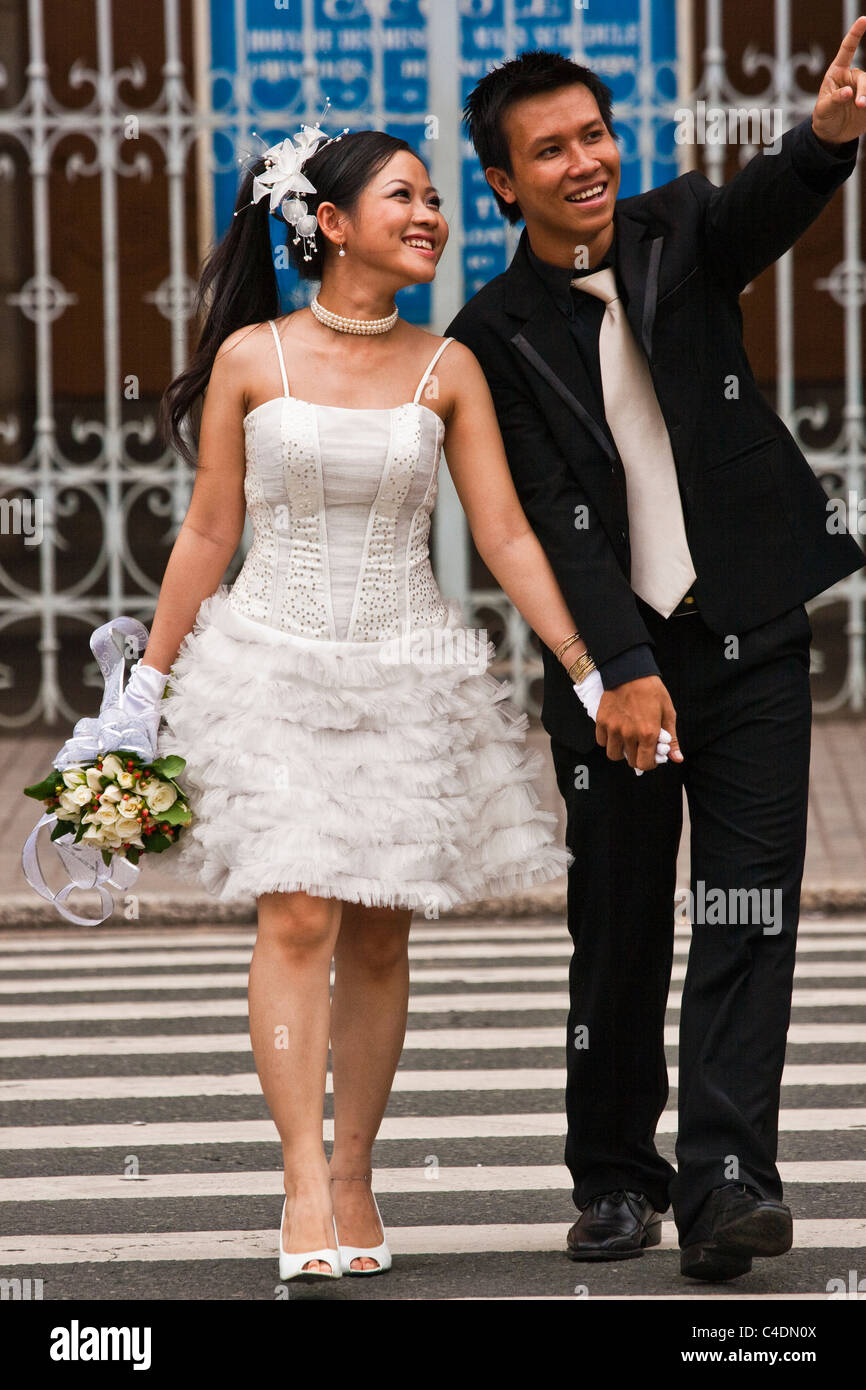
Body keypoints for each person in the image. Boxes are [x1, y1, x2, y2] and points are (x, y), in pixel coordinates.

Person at [108, 126, 667, 1283]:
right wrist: (143, 688)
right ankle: (302, 1180)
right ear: (328, 223)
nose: (431, 215)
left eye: (435, 197)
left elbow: (504, 532)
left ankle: (355, 1171)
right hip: (270, 659)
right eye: (402, 196)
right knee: (298, 913)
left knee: (375, 926)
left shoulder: (446, 365)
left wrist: (584, 663)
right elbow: (210, 528)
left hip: (407, 665)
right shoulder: (252, 358)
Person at [446, 24, 866, 1281]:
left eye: (594, 135)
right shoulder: (490, 334)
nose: (584, 161)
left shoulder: (678, 231)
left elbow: (764, 205)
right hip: (606, 669)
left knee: (747, 910)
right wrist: (615, 672)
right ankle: (613, 1177)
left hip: (748, 636)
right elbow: (546, 531)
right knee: (618, 925)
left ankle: (728, 1177)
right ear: (503, 182)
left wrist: (826, 135)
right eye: (550, 150)